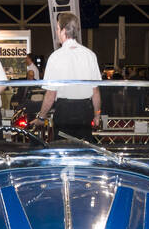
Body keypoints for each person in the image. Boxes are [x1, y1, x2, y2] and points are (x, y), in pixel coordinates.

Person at [37, 12, 103, 141]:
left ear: (63, 30)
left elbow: (50, 95)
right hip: (85, 111)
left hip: (64, 111)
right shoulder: (90, 55)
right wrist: (96, 115)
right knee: (84, 151)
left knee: (63, 151)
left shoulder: (55, 57)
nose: (56, 32)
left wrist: (41, 117)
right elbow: (95, 91)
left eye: (57, 28)